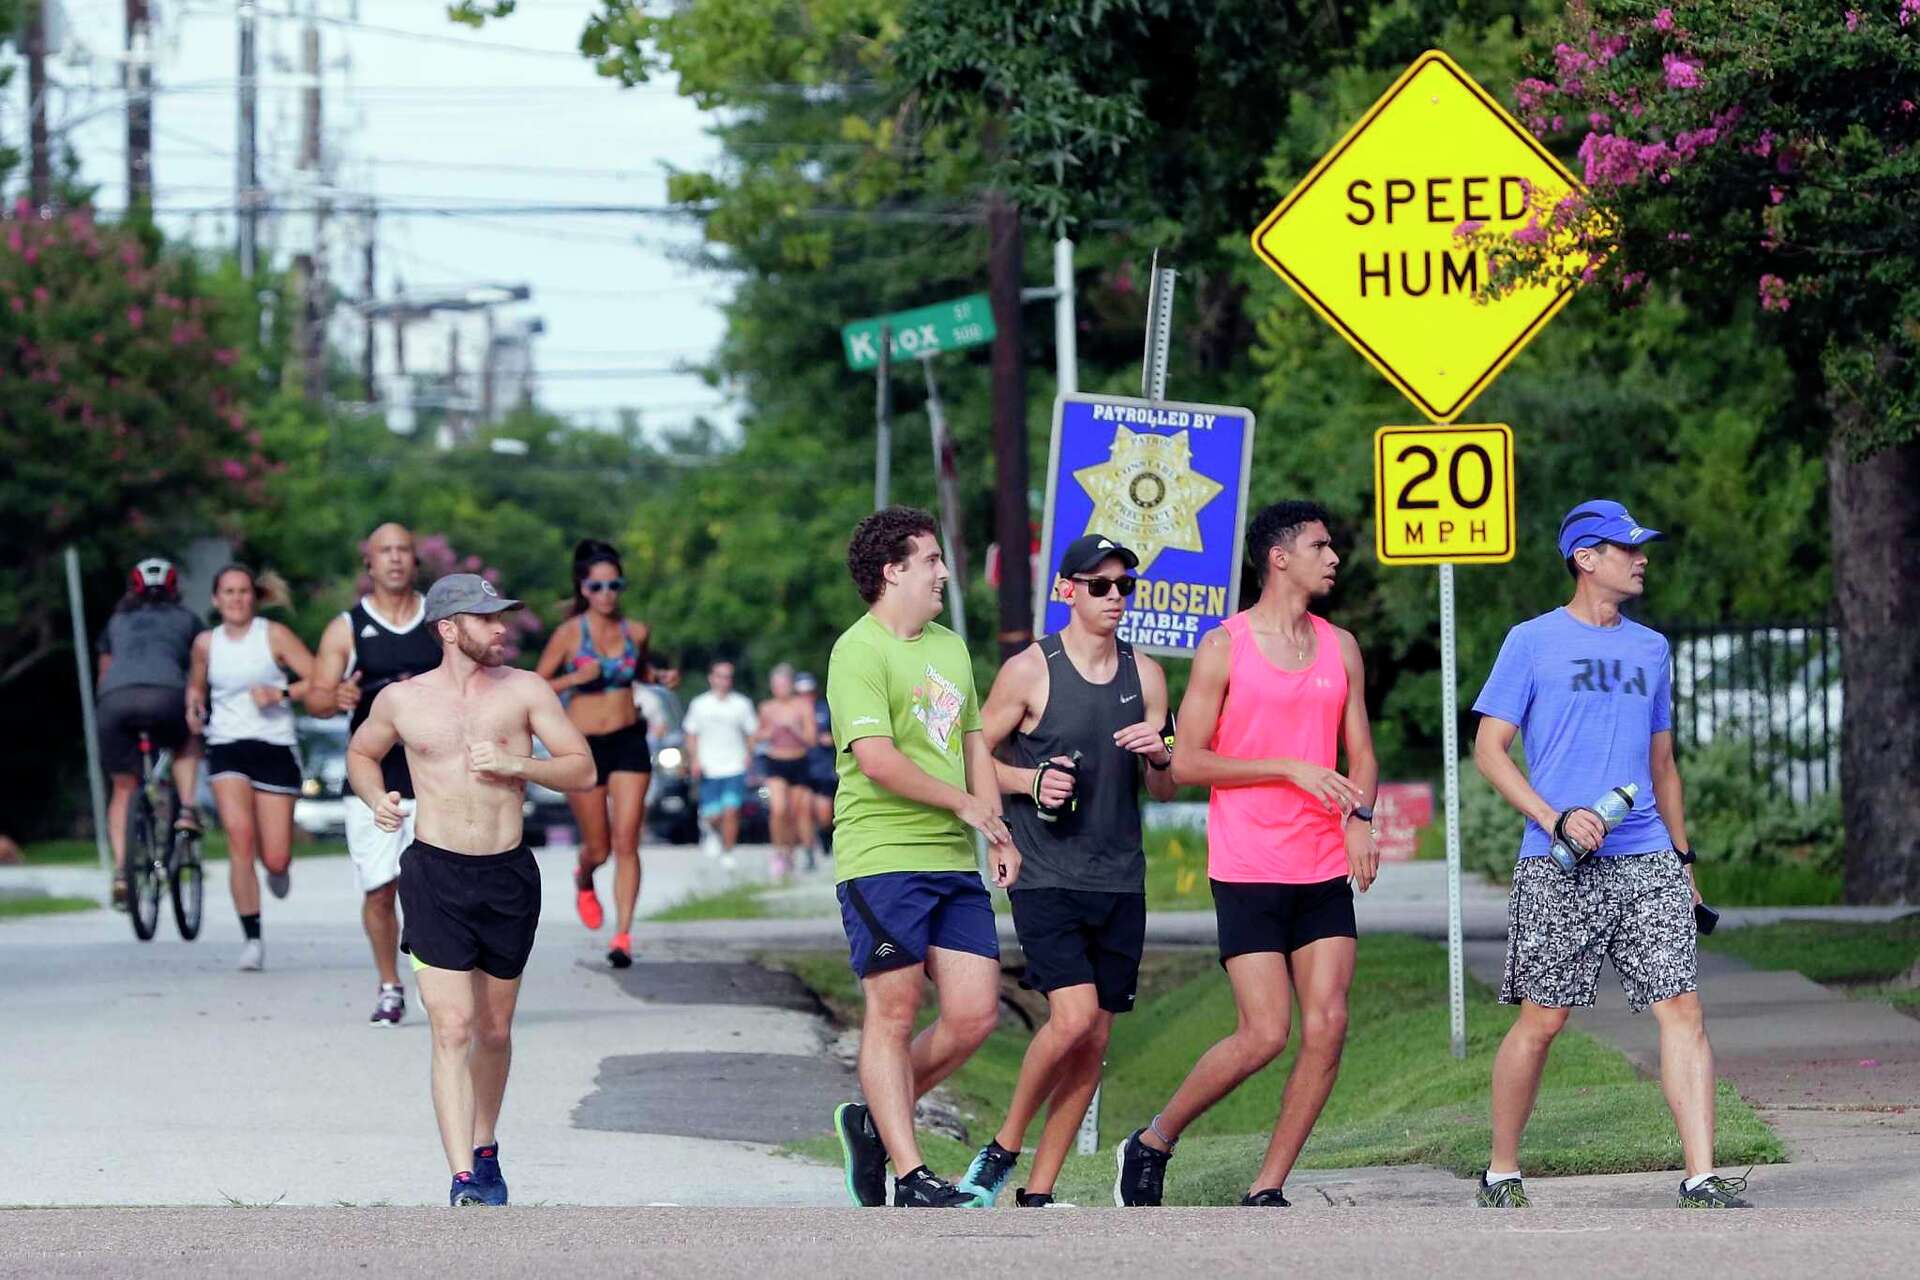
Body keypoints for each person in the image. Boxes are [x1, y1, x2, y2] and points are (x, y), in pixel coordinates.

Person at [1469, 500, 1752, 1209]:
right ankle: (1502, 1169)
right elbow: (1488, 750)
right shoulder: (1530, 642)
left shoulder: (1651, 648)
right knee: (1544, 1020)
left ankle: (1701, 1174)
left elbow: (1664, 767)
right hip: (1558, 860)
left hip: (1647, 853)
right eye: (1626, 549)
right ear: (1584, 558)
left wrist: (1685, 864)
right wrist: (1553, 817)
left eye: (1641, 548)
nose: (1641, 558)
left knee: (1681, 1008)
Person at [1115, 500, 1380, 1208]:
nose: (1334, 559)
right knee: (1265, 1032)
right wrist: (1287, 769)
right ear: (1279, 557)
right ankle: (1153, 1140)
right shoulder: (1224, 646)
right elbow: (1189, 764)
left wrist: (1361, 817)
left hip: (1323, 861)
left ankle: (1268, 1185)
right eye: (1320, 546)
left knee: (1329, 1025)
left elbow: (1362, 754)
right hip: (1249, 864)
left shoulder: (1340, 646)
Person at [346, 572, 594, 1207]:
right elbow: (362, 754)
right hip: (434, 873)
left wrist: (518, 765)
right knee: (451, 1027)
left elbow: (582, 768)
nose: (502, 628)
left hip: (507, 873)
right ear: (449, 629)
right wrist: (378, 799)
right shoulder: (402, 701)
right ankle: (462, 1178)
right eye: (487, 619)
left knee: (493, 1029)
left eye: (502, 616)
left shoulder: (527, 690)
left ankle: (486, 1146)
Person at [958, 533, 1178, 1208]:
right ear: (1067, 592)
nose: (1115, 598)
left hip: (1119, 877)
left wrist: (1161, 754)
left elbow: (1168, 787)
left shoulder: (1146, 675)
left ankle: (1039, 1192)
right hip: (1045, 871)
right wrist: (1028, 783)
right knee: (1074, 1015)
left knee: (1096, 1036)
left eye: (1124, 587)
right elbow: (971, 753)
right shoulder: (1030, 670)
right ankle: (1003, 1146)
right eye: (1099, 586)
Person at [824, 506, 1019, 1210]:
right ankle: (910, 1177)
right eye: (932, 560)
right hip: (881, 856)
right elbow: (875, 760)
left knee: (974, 1015)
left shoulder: (951, 647)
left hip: (949, 860)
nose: (944, 572)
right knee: (895, 1010)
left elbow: (973, 745)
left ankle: (875, 1122)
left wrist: (995, 827)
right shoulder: (859, 650)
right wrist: (961, 805)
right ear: (893, 571)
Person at [306, 523, 440, 1026]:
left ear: (415, 559)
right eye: (384, 551)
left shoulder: (438, 620)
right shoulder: (347, 626)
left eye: (404, 549)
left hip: (434, 776)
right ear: (370, 565)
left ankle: (438, 980)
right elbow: (318, 696)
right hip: (373, 780)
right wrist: (334, 696)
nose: (395, 559)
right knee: (381, 889)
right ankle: (390, 985)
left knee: (434, 886)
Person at [534, 540, 673, 970]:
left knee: (628, 839)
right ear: (583, 588)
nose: (607, 593)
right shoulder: (570, 633)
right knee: (600, 847)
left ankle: (623, 935)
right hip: (585, 747)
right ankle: (585, 874)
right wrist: (576, 676)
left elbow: (640, 671)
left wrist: (660, 677)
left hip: (630, 737)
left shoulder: (637, 632)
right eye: (598, 586)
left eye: (615, 584)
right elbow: (533, 687)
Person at [187, 565, 316, 971]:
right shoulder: (206, 643)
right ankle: (252, 939)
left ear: (253, 597)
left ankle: (278, 871)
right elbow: (196, 684)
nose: (236, 599)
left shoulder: (273, 635)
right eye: (228, 592)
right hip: (226, 745)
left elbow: (318, 680)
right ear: (216, 599)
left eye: (243, 592)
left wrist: (280, 692)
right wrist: (193, 704)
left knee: (275, 859)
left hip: (274, 746)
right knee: (239, 838)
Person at [95, 557, 204, 909]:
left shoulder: (116, 621)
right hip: (166, 697)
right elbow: (199, 668)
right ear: (174, 588)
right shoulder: (187, 619)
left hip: (115, 703)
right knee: (188, 741)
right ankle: (187, 809)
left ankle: (122, 872)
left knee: (124, 787)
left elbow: (104, 674)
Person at [683, 660, 757, 863]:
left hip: (735, 764)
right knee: (714, 814)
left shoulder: (741, 704)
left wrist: (749, 754)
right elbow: (691, 734)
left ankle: (728, 851)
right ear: (711, 678)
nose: (724, 680)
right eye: (720, 675)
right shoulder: (700, 704)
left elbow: (751, 732)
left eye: (728, 676)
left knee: (732, 811)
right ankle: (711, 832)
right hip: (709, 766)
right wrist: (695, 759)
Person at [756, 662, 817, 879]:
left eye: (783, 685)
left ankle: (805, 848)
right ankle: (779, 852)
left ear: (790, 685)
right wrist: (771, 731)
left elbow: (812, 739)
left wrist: (795, 729)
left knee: (798, 811)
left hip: (798, 760)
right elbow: (756, 737)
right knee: (778, 809)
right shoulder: (767, 708)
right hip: (776, 761)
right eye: (776, 685)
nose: (779, 689)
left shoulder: (802, 707)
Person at [797, 671, 837, 863]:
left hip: (822, 767)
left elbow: (839, 733)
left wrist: (831, 739)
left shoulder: (825, 709)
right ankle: (807, 851)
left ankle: (825, 836)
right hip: (800, 767)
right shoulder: (791, 711)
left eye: (809, 692)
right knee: (803, 809)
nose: (806, 697)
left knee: (823, 812)